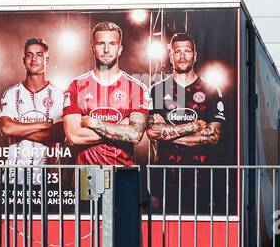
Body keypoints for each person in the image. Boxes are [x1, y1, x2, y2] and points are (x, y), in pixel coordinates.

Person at [147, 32, 226, 212]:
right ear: (171, 56)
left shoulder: (210, 90)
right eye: (177, 52)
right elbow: (152, 132)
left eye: (187, 51)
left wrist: (167, 132)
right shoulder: (157, 90)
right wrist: (196, 127)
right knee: (163, 232)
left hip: (201, 177)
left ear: (195, 56)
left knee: (200, 233)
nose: (182, 56)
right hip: (165, 178)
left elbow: (213, 135)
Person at [62, 21, 149, 166]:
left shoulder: (136, 87)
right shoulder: (76, 85)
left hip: (124, 174)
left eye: (112, 44)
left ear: (119, 49)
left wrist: (91, 123)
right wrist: (121, 129)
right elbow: (73, 136)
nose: (106, 49)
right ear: (93, 49)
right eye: (101, 43)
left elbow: (135, 135)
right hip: (86, 175)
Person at [0, 37, 63, 173]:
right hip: (15, 177)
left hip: (48, 178)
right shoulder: (11, 93)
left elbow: (59, 134)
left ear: (47, 60)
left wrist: (18, 129)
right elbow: (6, 129)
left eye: (39, 55)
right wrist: (43, 125)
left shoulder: (59, 94)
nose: (34, 59)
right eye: (29, 55)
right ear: (23, 60)